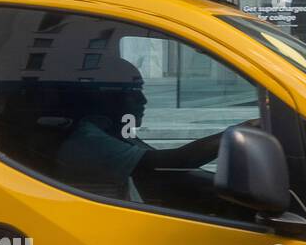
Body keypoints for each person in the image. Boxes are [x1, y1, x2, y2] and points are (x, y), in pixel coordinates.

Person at [55, 55, 251, 205]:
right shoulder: (89, 142)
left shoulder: (111, 133)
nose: (143, 100)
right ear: (106, 96)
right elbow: (173, 162)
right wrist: (239, 132)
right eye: (133, 92)